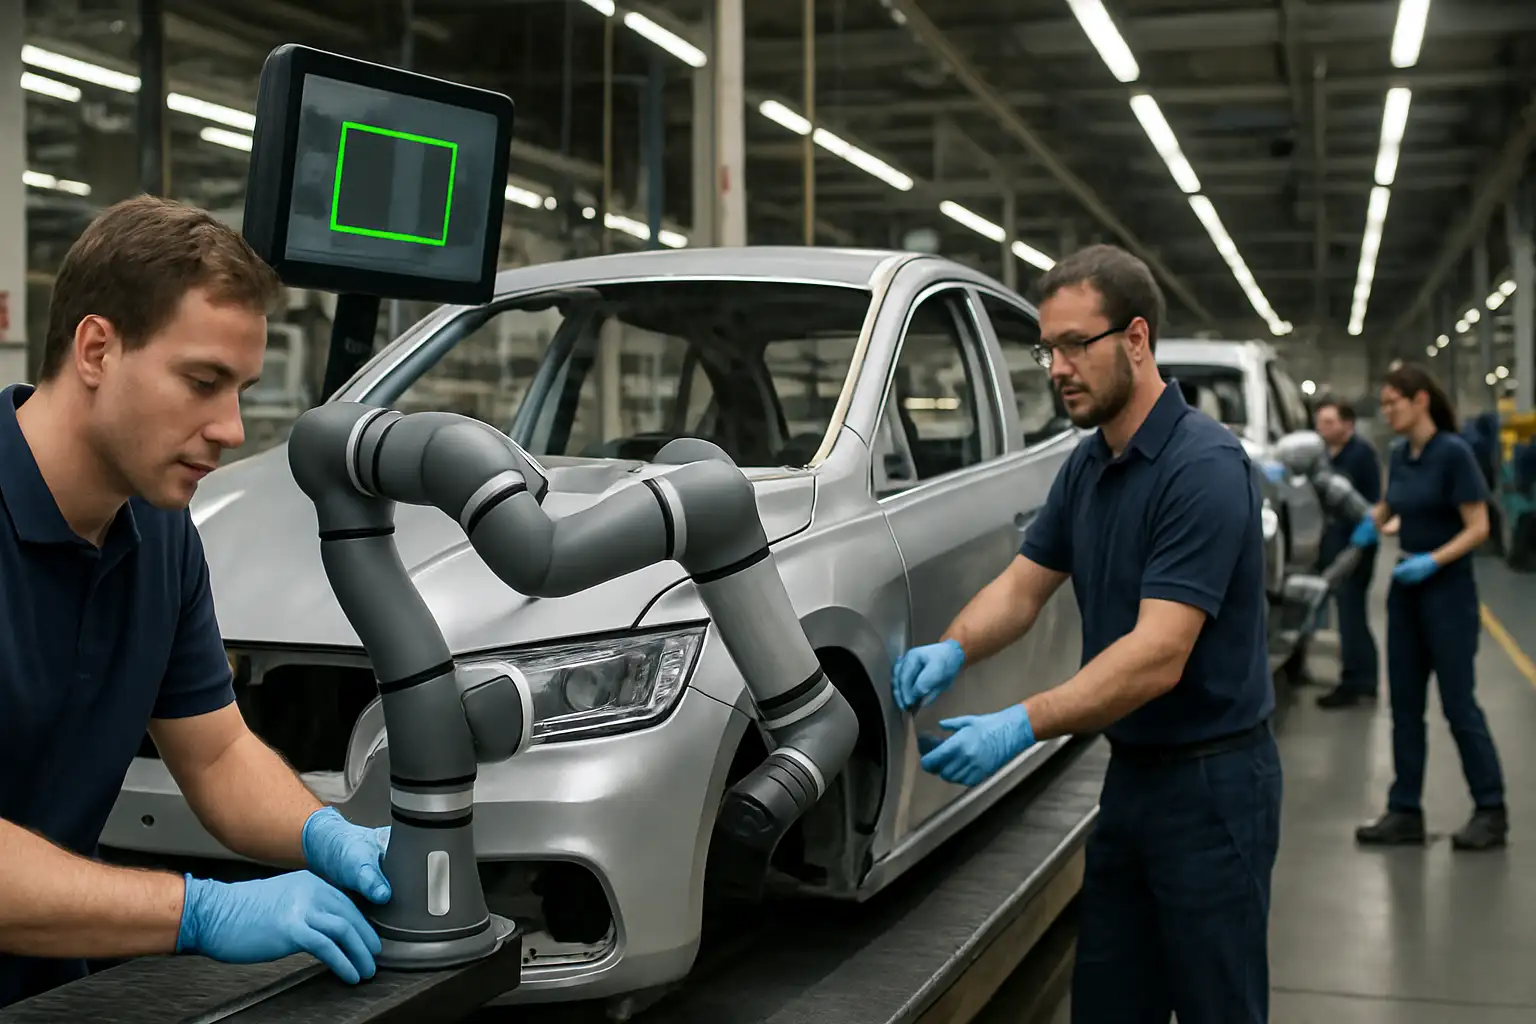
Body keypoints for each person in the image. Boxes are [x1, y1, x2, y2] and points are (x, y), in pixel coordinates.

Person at [0, 196, 393, 1009]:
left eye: (242, 388)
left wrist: (326, 837)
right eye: (203, 382)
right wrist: (199, 909)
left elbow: (214, 754)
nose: (232, 427)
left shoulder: (160, 532)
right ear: (97, 349)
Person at [889, 244, 1289, 1024]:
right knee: (1109, 1003)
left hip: (1215, 788)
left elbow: (1158, 656)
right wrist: (956, 645)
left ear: (1135, 340)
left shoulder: (1202, 467)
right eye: (1048, 348)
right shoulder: (1087, 466)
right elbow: (1023, 586)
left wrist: (1022, 723)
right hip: (1132, 776)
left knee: (1219, 1005)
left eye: (1077, 344)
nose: (1057, 367)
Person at [1354, 363, 1507, 850]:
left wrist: (1432, 561)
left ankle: (1491, 809)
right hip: (1406, 595)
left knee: (1459, 705)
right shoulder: (1400, 455)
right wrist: (1369, 522)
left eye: (1393, 402)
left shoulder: (1454, 454)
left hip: (1447, 594)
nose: (1387, 411)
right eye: (1384, 404)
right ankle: (1405, 811)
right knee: (1404, 706)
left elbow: (1479, 527)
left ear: (1421, 401)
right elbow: (1391, 505)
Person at [1312, 397, 1383, 708]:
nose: (1321, 428)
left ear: (1348, 425)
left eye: (1329, 422)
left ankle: (1355, 681)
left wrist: (1362, 537)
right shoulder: (1323, 454)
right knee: (1347, 614)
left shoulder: (1361, 455)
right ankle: (1364, 677)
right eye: (1320, 422)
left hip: (1356, 544)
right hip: (1331, 542)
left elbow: (1371, 505)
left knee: (1352, 614)